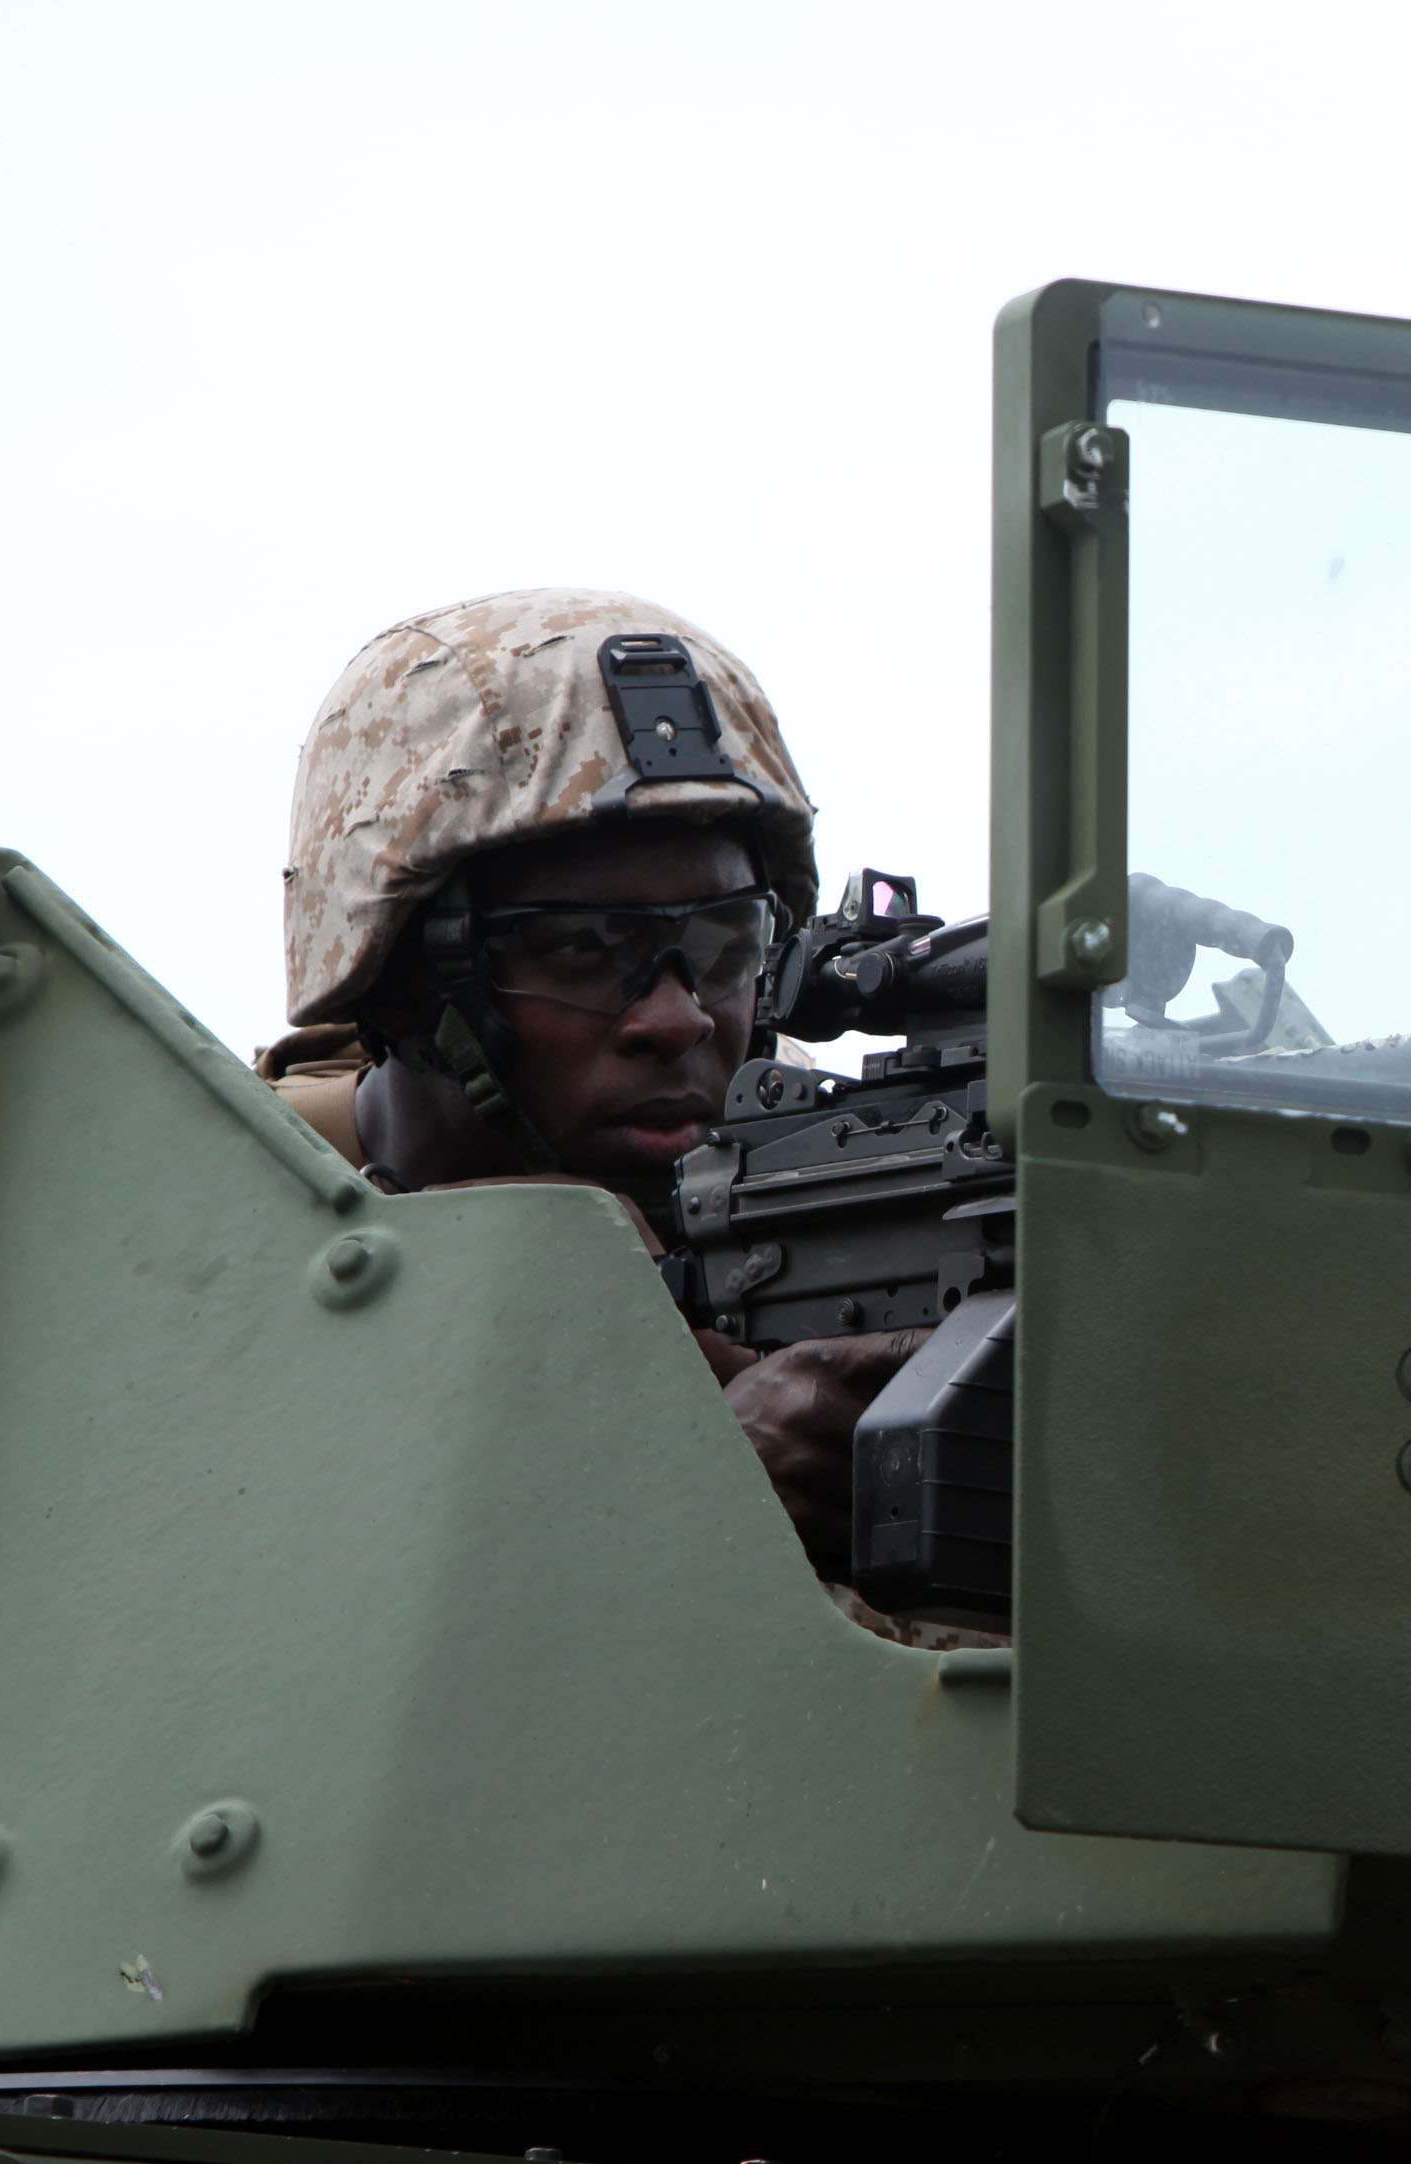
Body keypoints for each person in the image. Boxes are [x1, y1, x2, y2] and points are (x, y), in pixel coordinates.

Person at [254, 587, 927, 1606]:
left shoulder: (871, 1222)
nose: (679, 1017)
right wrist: (676, 1500)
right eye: (578, 949)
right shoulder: (227, 1231)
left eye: (722, 944)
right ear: (399, 979)